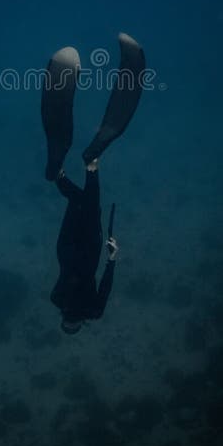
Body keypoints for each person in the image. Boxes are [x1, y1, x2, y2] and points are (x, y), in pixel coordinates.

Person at [41, 33, 145, 334]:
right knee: (77, 202)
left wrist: (113, 257)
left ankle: (90, 165)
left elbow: (106, 284)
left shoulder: (93, 312)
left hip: (88, 252)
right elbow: (68, 294)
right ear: (64, 320)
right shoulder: (56, 299)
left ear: (80, 324)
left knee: (90, 204)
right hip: (66, 250)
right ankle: (58, 174)